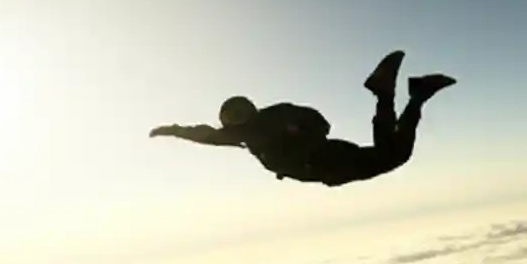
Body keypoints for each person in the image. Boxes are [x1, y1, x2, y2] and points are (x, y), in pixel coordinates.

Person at [149, 50, 455, 187]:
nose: (236, 122)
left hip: (325, 163)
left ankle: (405, 95)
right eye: (231, 118)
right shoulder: (261, 122)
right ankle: (400, 94)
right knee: (390, 153)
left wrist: (172, 131)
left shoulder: (258, 126)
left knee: (393, 155)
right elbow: (204, 133)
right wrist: (173, 130)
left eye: (237, 116)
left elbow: (204, 134)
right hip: (328, 158)